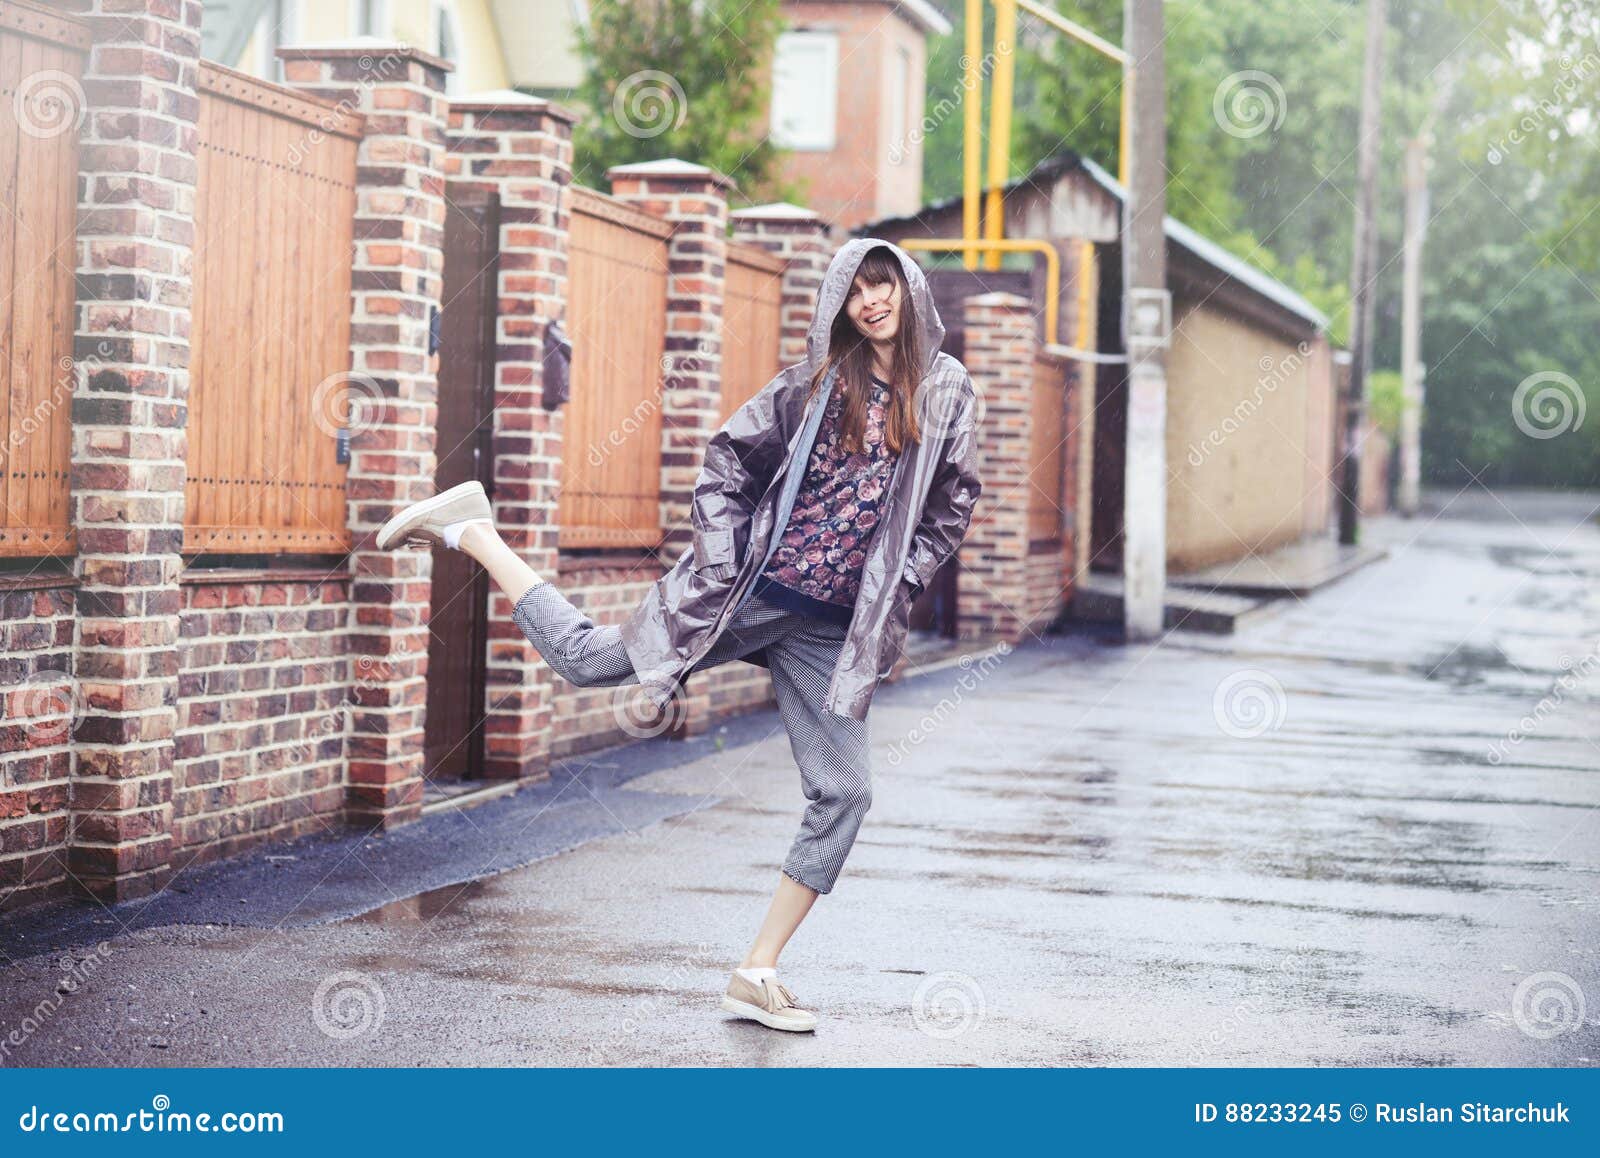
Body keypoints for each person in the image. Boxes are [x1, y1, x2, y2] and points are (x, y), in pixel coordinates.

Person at [374, 238, 982, 1032]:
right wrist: (724, 561)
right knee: (590, 663)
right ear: (841, 301)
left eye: (884, 286)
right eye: (857, 290)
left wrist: (899, 580)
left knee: (846, 791)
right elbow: (728, 458)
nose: (872, 302)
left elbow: (952, 502)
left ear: (909, 288)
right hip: (749, 592)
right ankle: (475, 532)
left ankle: (755, 972)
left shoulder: (944, 387)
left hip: (832, 627)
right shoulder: (815, 382)